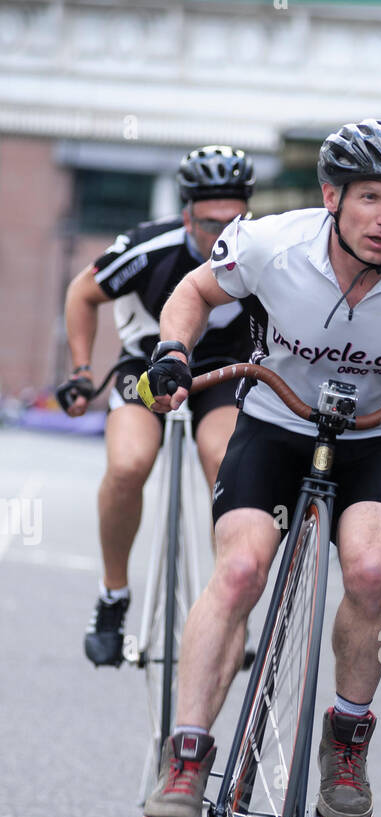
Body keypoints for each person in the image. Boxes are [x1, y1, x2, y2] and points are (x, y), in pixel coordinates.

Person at [138, 118, 381, 817]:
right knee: (241, 571)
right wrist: (171, 351)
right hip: (274, 424)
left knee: (374, 571)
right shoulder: (270, 245)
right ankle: (187, 754)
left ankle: (346, 741)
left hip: (371, 437)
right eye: (369, 198)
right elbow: (193, 294)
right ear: (332, 196)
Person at [57, 145, 257, 666]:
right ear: (186, 213)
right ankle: (113, 596)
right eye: (210, 223)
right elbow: (83, 292)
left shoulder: (262, 250)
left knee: (227, 460)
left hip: (220, 370)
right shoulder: (150, 247)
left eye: (234, 221)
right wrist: (80, 370)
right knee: (128, 465)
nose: (222, 235)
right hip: (145, 368)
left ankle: (230, 604)